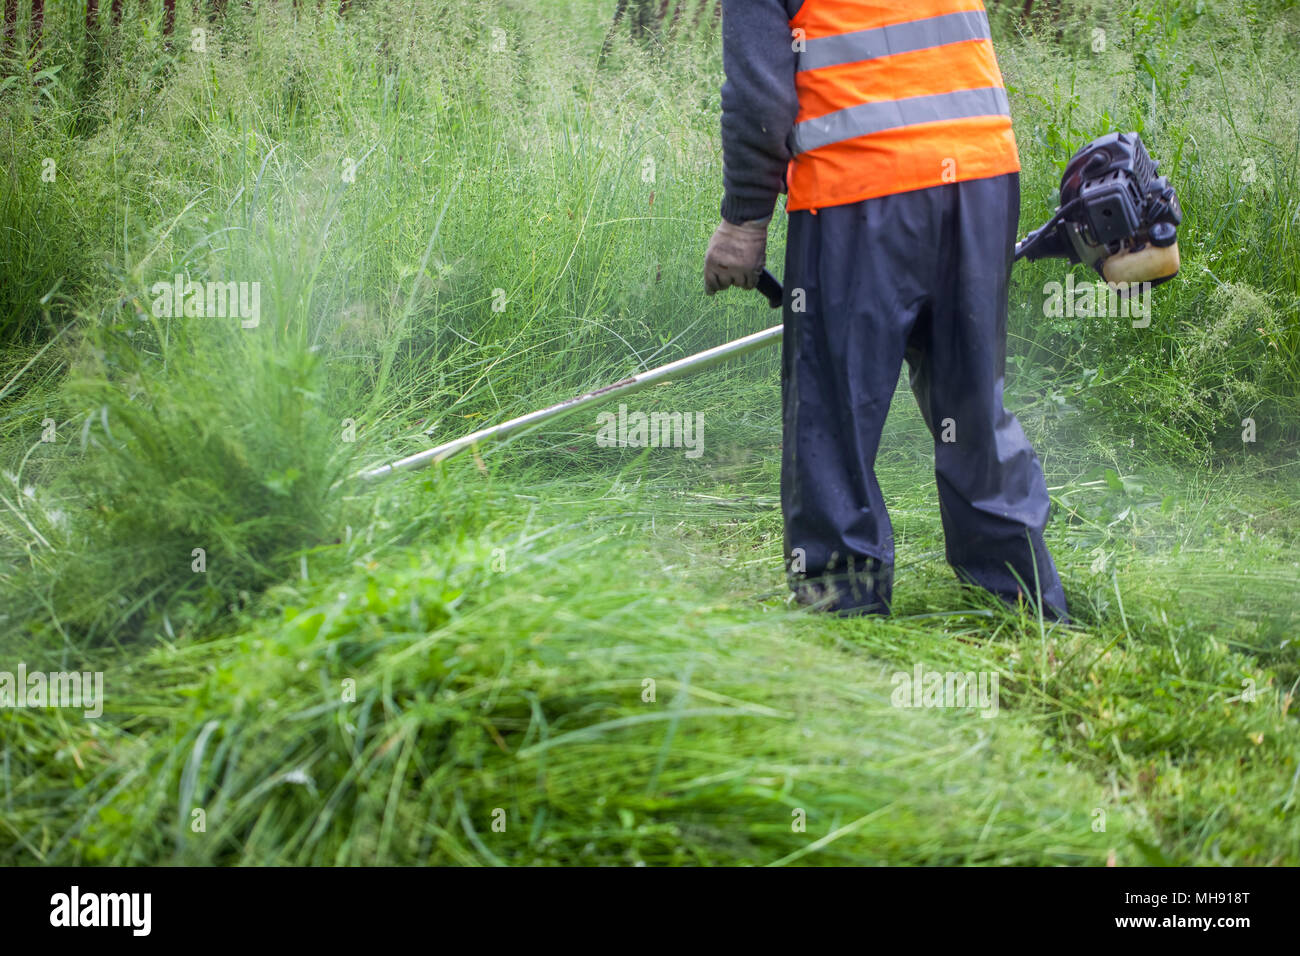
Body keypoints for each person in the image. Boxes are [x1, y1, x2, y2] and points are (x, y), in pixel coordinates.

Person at [704, 0, 1067, 619]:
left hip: (859, 187)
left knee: (832, 419)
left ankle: (843, 616)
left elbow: (761, 99)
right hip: (980, 174)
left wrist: (744, 219)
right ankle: (1022, 605)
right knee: (973, 405)